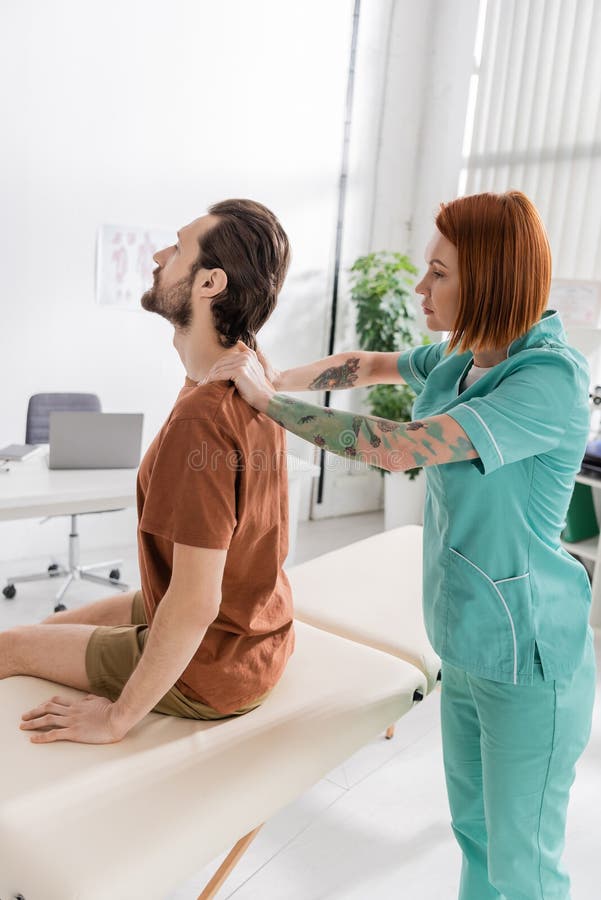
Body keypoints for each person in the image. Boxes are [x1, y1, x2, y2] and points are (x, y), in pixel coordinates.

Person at [203, 190, 597, 900]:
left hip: (531, 656)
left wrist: (269, 403)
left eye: (438, 273)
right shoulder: (462, 357)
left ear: (489, 279)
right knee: (475, 834)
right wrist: (269, 372)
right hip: (467, 640)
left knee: (523, 862)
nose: (420, 288)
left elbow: (399, 448)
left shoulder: (547, 380)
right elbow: (364, 366)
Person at [4, 199, 295, 745]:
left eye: (178, 247)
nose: (159, 255)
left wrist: (117, 718)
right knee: (38, 630)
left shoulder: (202, 417)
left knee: (9, 647)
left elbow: (194, 604)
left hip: (212, 669)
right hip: (258, 637)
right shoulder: (254, 372)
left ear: (210, 283)